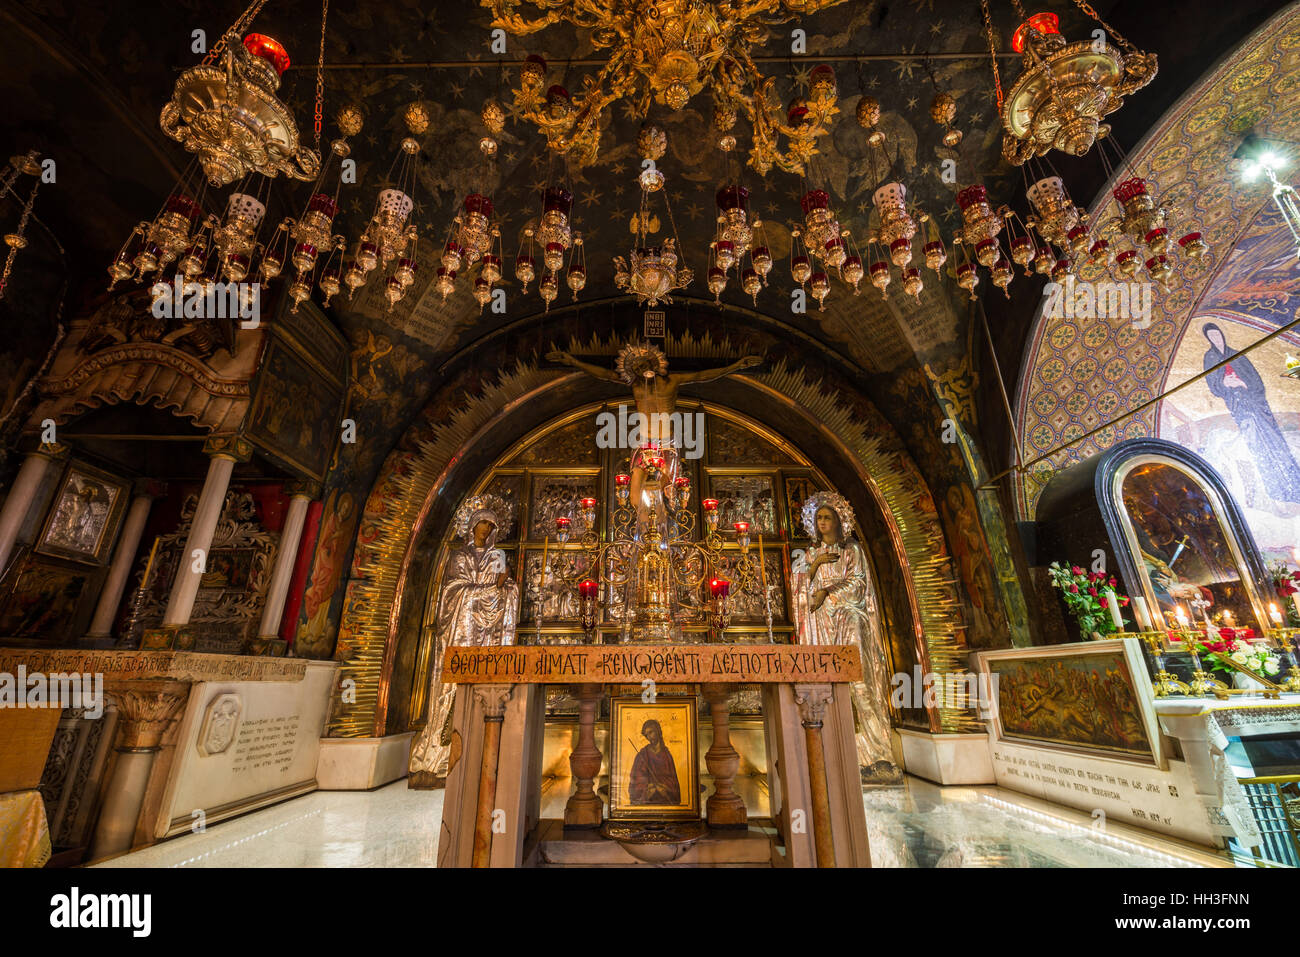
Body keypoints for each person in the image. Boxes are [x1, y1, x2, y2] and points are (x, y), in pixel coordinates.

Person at [547, 342, 762, 533]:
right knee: (633, 498)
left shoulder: (672, 381)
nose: (640, 370)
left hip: (667, 444)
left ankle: (662, 532)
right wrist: (572, 361)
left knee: (666, 492)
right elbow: (604, 374)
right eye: (637, 367)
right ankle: (644, 533)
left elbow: (701, 375)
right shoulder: (635, 384)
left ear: (654, 363)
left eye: (643, 365)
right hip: (643, 444)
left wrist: (735, 366)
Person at [791, 491, 901, 785]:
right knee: (826, 682)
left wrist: (829, 592)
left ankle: (876, 752)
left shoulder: (852, 551)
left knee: (859, 678)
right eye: (819, 518)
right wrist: (814, 568)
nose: (823, 522)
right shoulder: (810, 555)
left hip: (849, 616)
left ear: (840, 521)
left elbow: (858, 585)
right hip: (819, 624)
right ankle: (831, 749)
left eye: (828, 517)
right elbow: (801, 594)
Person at [408, 494, 519, 787]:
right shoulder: (459, 556)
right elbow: (452, 592)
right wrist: (485, 591)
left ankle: (483, 747)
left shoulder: (497, 557)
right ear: (471, 526)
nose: (485, 529)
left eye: (490, 526)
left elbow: (506, 590)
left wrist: (504, 587)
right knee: (451, 688)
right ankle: (438, 752)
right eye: (482, 523)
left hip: (486, 634)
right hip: (461, 630)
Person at [1202, 322, 1300, 504]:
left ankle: (1294, 484)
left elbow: (1256, 381)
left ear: (1222, 334)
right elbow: (1213, 385)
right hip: (1239, 407)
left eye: (1217, 334)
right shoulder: (1210, 357)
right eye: (1212, 336)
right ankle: (1276, 490)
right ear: (1208, 339)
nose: (1216, 338)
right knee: (1256, 443)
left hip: (1256, 403)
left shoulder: (1237, 355)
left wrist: (1243, 384)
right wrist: (1225, 383)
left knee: (1275, 440)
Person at [628, 719, 681, 804]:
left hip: (665, 802)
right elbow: (635, 780)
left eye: (651, 732)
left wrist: (665, 788)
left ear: (658, 731)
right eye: (646, 735)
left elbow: (673, 782)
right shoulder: (642, 755)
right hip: (647, 801)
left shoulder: (667, 755)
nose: (649, 737)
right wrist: (647, 787)